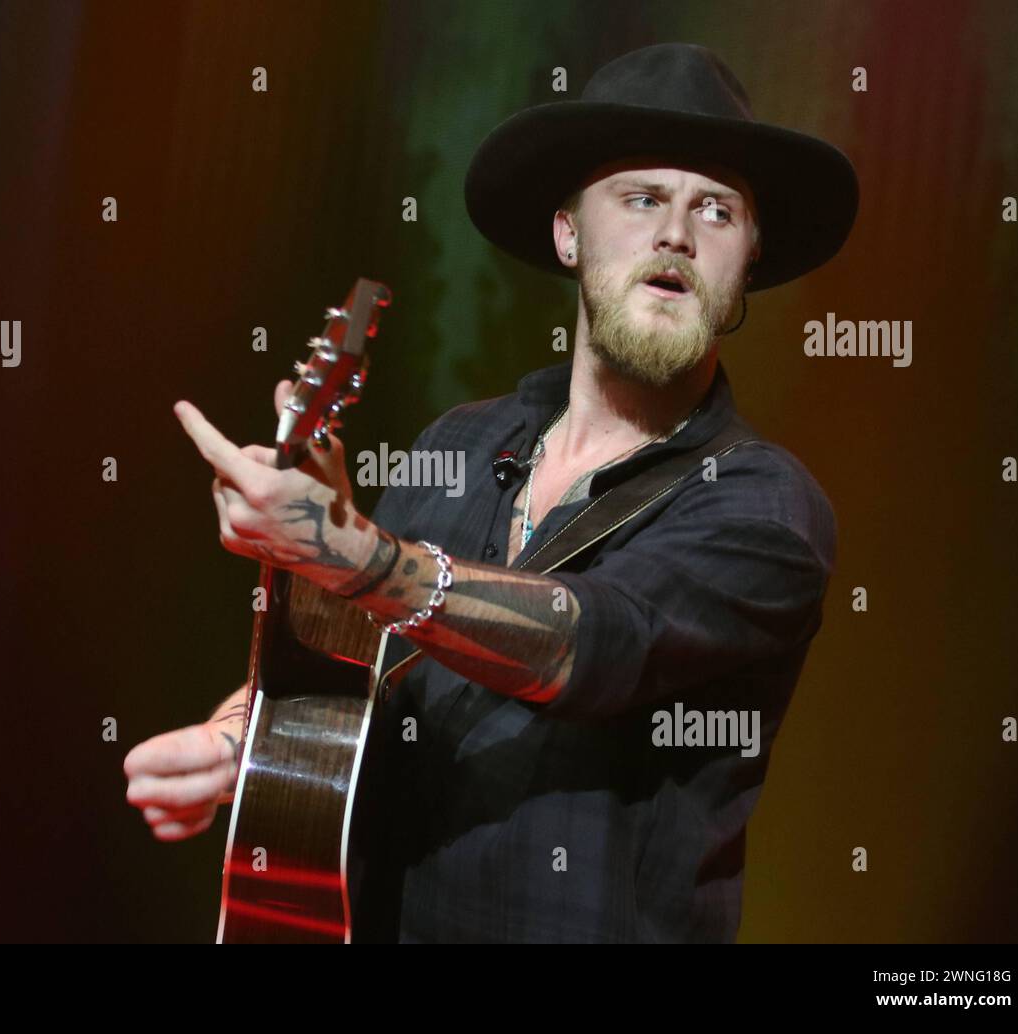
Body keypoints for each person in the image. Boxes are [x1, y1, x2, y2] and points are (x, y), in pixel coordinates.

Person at [123, 43, 858, 942]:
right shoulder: (462, 443)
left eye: (716, 210)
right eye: (641, 199)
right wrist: (241, 741)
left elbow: (593, 639)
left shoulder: (764, 504)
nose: (676, 233)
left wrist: (356, 554)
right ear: (568, 233)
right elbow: (361, 665)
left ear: (746, 261)